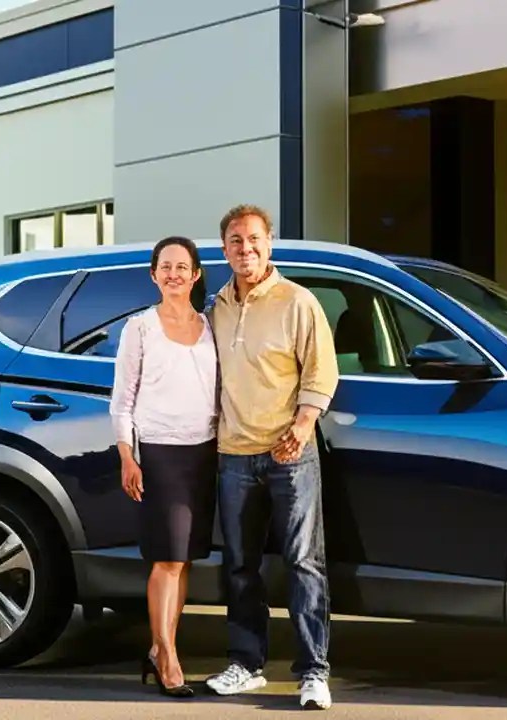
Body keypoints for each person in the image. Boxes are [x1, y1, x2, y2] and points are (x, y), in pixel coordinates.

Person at [203, 204, 339, 710]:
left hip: (289, 454)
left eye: (254, 239)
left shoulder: (297, 302)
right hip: (233, 456)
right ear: (225, 250)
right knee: (240, 566)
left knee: (304, 564)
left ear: (269, 243)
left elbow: (321, 373)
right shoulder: (214, 307)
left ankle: (313, 672)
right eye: (236, 240)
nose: (246, 248)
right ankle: (246, 664)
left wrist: (302, 428)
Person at [109, 236, 218, 699]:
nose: (173, 273)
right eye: (165, 266)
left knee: (185, 557)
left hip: (205, 451)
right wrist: (127, 455)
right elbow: (123, 398)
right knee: (167, 558)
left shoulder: (211, 324)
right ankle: (166, 655)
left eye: (182, 266)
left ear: (195, 275)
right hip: (158, 451)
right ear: (153, 275)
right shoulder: (141, 328)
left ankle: (163, 646)